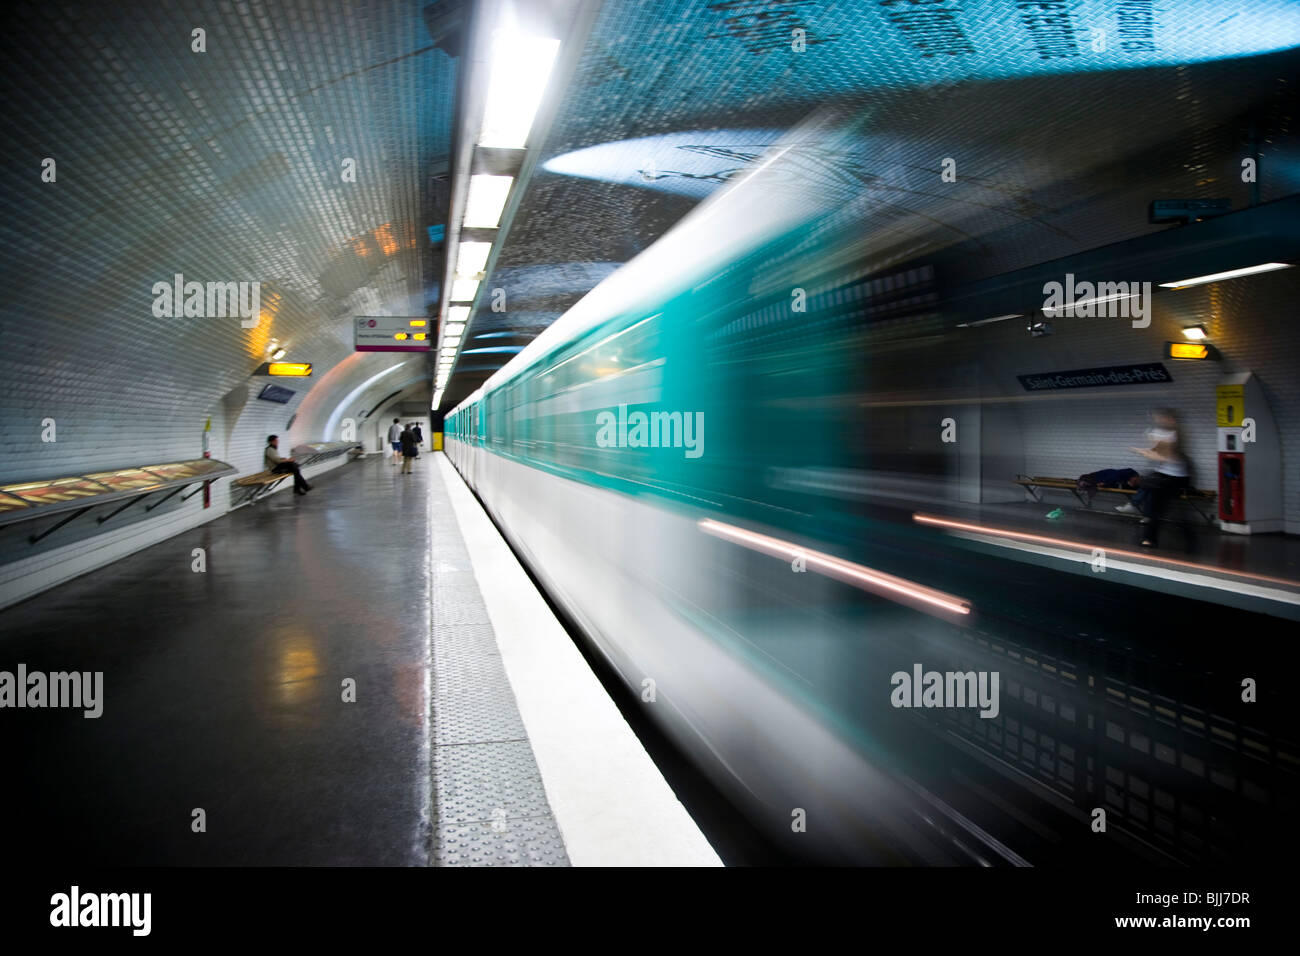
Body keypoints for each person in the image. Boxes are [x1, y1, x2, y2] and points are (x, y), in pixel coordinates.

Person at [1118, 408, 1189, 547]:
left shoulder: (1172, 434)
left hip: (1174, 477)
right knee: (1158, 506)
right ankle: (1149, 538)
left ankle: (1149, 534)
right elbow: (1157, 453)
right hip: (1166, 475)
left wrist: (1141, 451)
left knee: (1158, 505)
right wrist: (1145, 450)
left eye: (1160, 418)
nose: (1158, 420)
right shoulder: (1169, 433)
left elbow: (1160, 456)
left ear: (1169, 419)